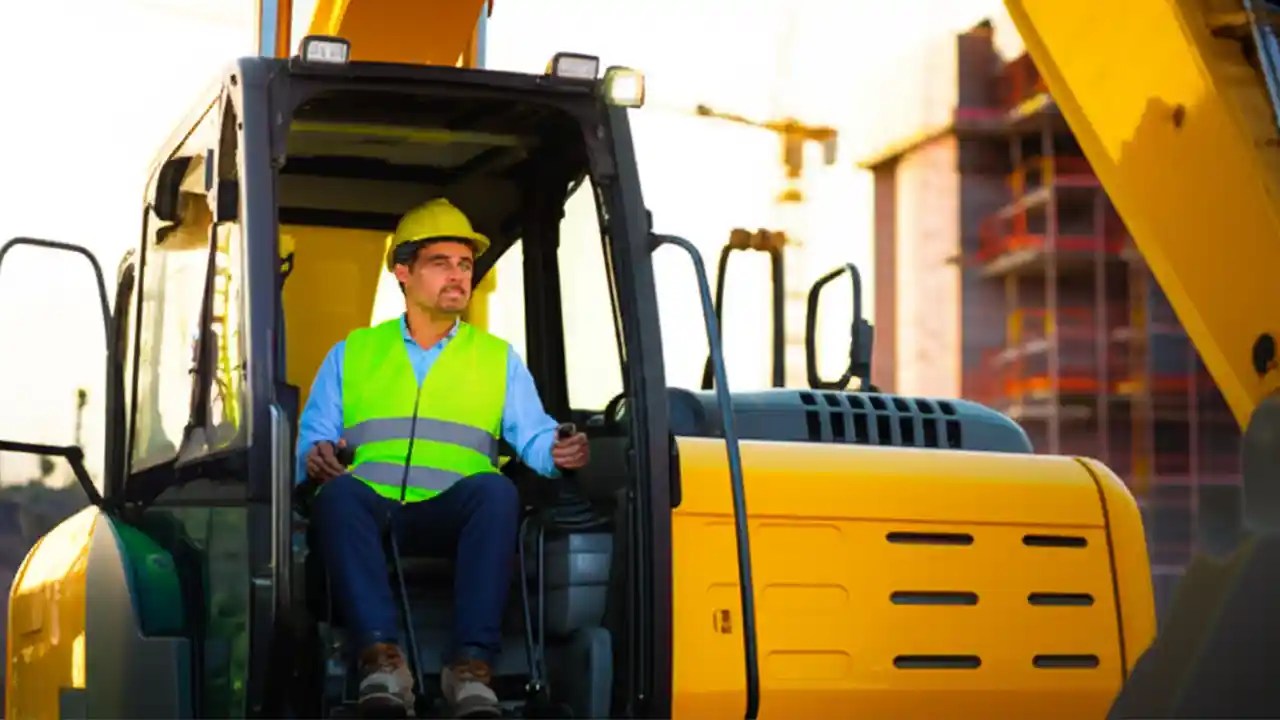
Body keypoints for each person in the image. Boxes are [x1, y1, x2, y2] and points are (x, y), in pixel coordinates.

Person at [296, 197, 590, 718]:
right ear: (403, 272)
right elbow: (313, 437)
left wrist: (561, 450)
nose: (458, 276)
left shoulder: (496, 358)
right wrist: (316, 455)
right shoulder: (354, 352)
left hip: (454, 515)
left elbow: (536, 437)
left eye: (465, 265)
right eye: (441, 263)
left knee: (498, 491)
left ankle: (470, 668)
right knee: (337, 496)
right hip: (373, 511)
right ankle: (382, 661)